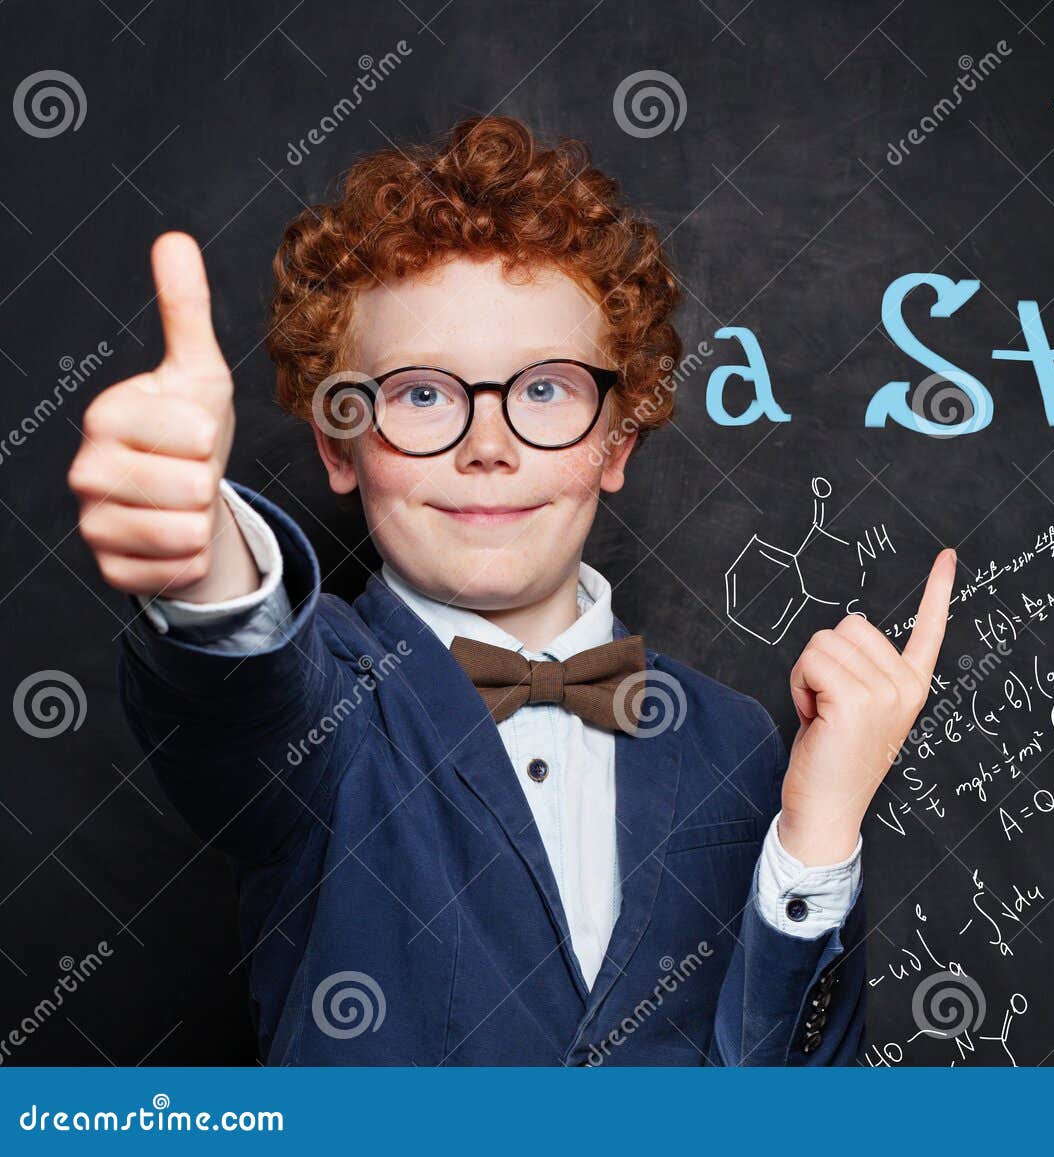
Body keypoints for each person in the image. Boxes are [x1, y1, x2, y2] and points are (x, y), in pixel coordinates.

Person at [67, 115, 956, 1065]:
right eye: (421, 393)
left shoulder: (733, 740)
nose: (487, 446)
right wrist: (201, 549)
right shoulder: (327, 709)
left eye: (543, 390)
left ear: (616, 441)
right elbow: (240, 689)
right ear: (340, 443)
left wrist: (817, 832)